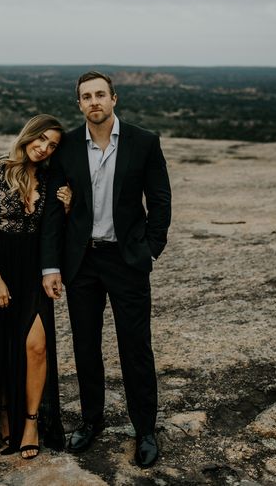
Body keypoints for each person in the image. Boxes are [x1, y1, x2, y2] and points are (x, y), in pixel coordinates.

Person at [41, 71, 171, 469]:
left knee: (135, 347)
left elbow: (160, 199)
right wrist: (51, 265)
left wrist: (150, 248)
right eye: (86, 96)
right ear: (79, 104)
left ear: (114, 99)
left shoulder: (144, 142)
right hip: (82, 262)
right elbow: (51, 211)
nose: (94, 101)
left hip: (127, 260)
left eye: (100, 94)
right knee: (85, 345)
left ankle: (145, 429)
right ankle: (91, 420)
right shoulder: (65, 150)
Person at [0, 114, 71, 459]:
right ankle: (4, 417)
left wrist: (66, 209)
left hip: (33, 270)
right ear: (28, 136)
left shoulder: (52, 179)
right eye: (41, 139)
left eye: (52, 145)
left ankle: (32, 421)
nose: (44, 148)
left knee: (36, 345)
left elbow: (53, 232)